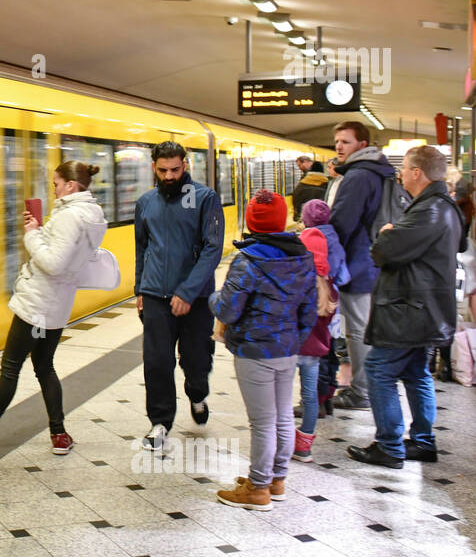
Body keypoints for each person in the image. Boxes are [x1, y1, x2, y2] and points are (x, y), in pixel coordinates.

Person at [0, 160, 107, 455]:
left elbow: (53, 263)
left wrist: (33, 233)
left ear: (70, 186)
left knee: (11, 366)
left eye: (56, 184)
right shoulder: (94, 215)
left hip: (37, 302)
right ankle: (59, 434)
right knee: (44, 366)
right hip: (57, 304)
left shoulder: (69, 217)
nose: (54, 190)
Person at [347, 146, 464, 468]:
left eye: (406, 169)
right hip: (424, 309)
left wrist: (386, 233)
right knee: (415, 373)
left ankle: (389, 446)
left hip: (410, 309)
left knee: (378, 370)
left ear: (417, 173)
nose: (400, 175)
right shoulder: (441, 206)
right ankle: (423, 442)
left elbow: (386, 252)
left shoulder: (429, 211)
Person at [210, 190, 317, 508]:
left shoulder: (249, 261)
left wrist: (212, 298)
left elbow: (228, 311)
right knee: (283, 416)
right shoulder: (302, 256)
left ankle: (257, 489)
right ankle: (276, 480)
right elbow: (309, 311)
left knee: (262, 422)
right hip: (287, 349)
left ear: (251, 221)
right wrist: (294, 340)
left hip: (255, 352)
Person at [134, 141, 225, 452]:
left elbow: (213, 249)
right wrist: (139, 289)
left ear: (185, 165)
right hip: (156, 295)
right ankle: (160, 422)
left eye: (175, 169)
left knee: (196, 358)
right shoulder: (146, 202)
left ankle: (197, 393)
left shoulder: (205, 198)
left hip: (196, 300)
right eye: (163, 170)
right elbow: (142, 248)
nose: (169, 176)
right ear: (154, 169)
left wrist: (187, 291)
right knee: (157, 362)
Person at [327, 120, 397, 411]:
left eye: (346, 141)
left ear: (362, 146)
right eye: (338, 141)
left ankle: (362, 392)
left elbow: (342, 221)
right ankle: (367, 387)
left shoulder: (358, 176)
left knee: (357, 330)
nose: (339, 147)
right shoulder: (377, 172)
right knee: (364, 327)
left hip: (358, 264)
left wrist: (323, 247)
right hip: (372, 261)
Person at [292, 198, 347, 461]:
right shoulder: (329, 291)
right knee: (310, 397)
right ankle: (305, 445)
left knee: (281, 397)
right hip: (314, 354)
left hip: (291, 350)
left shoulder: (295, 286)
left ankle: (282, 440)